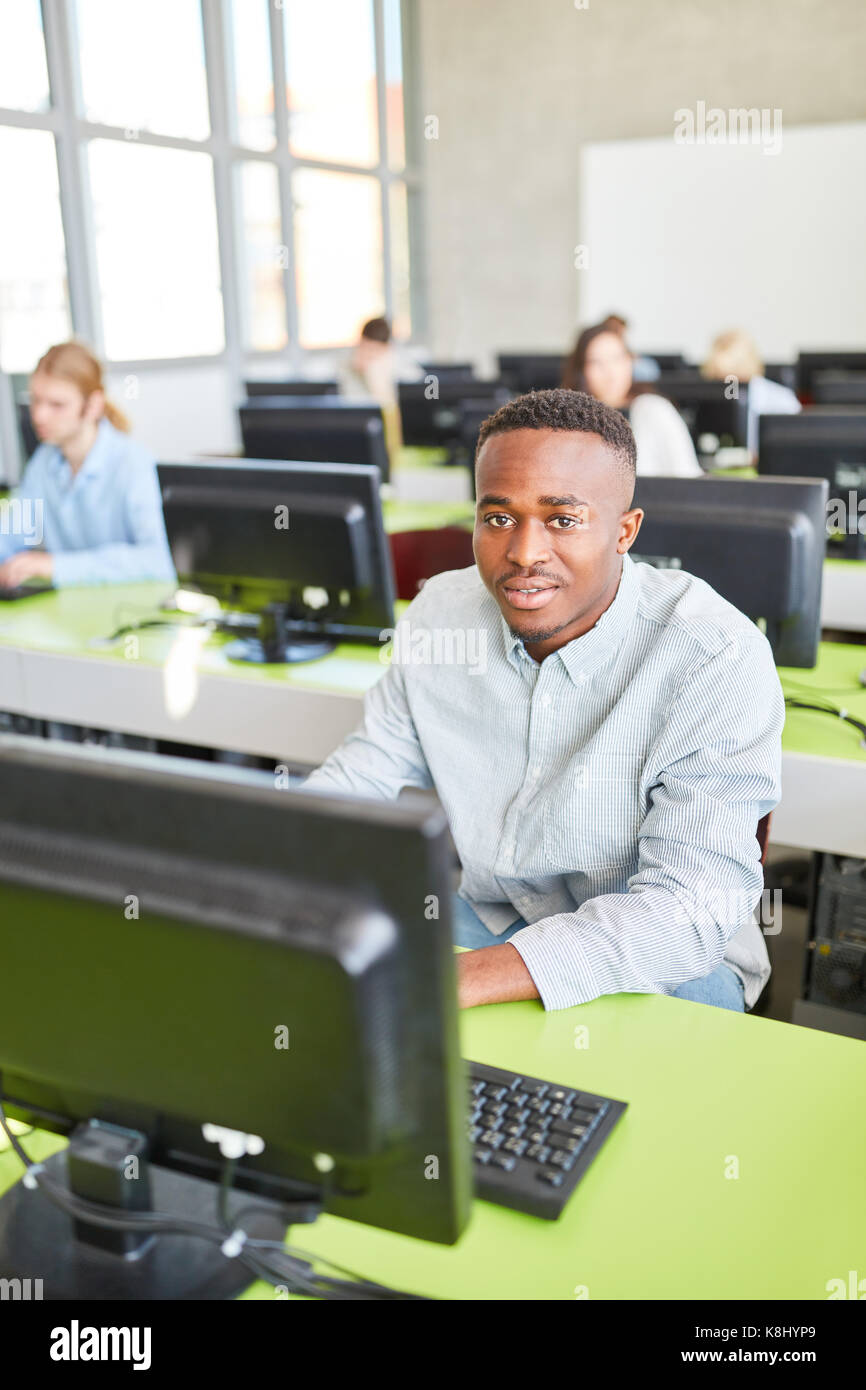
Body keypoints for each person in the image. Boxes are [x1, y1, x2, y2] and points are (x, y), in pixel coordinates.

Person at [303, 389, 783, 1014]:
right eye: (499, 518)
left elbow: (686, 914)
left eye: (563, 519)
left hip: (670, 958)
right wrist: (254, 861)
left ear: (624, 532)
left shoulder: (714, 656)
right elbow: (362, 775)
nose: (524, 554)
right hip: (488, 920)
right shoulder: (439, 616)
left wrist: (463, 980)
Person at [0, 341, 174, 589]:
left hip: (125, 611)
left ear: (92, 406)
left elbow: (156, 563)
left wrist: (55, 566)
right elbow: (13, 534)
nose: (39, 416)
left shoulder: (131, 462)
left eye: (56, 405)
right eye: (36, 401)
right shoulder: (43, 462)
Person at [562, 321, 702, 477]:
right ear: (581, 371)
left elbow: (688, 476)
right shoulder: (570, 422)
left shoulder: (653, 409)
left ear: (630, 362)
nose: (610, 371)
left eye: (617, 359)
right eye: (596, 362)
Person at [701, 329, 800, 457]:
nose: (730, 391)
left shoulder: (782, 400)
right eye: (722, 381)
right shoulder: (705, 402)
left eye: (735, 380)